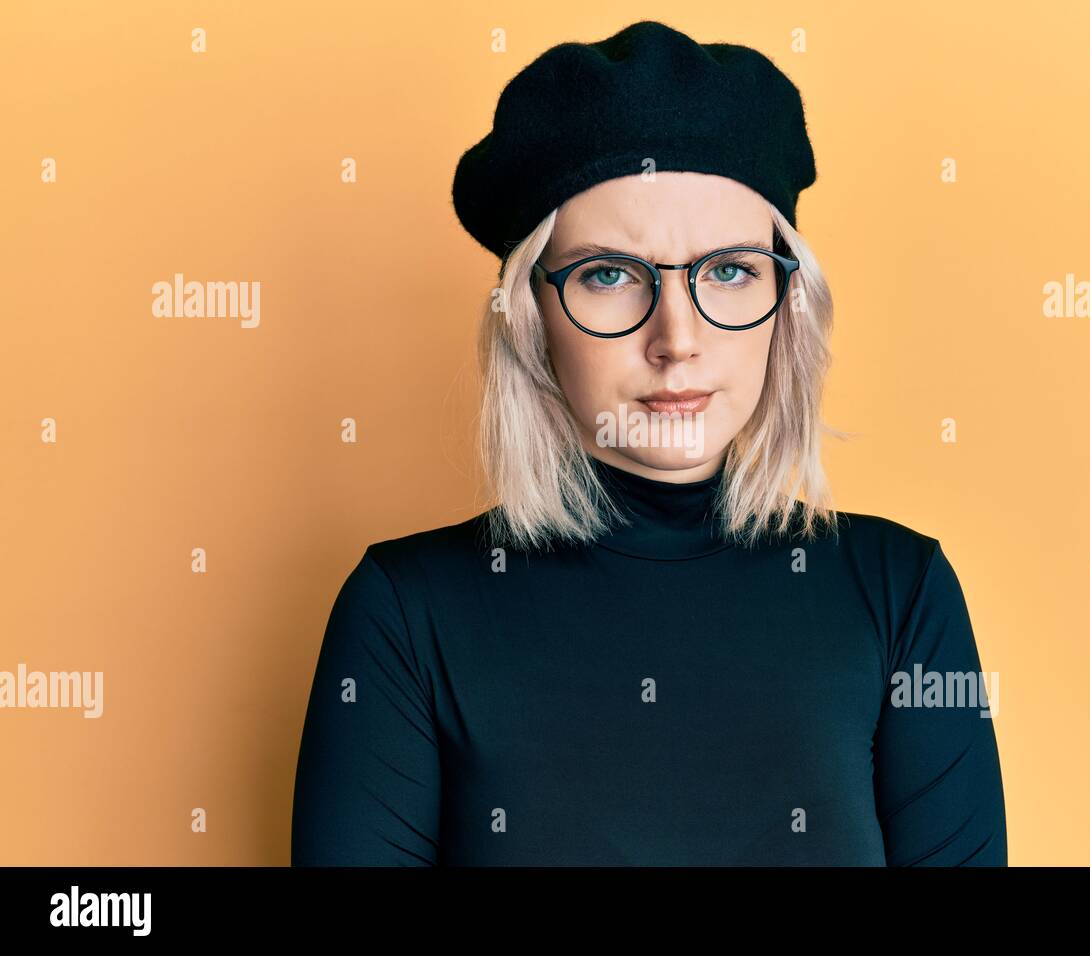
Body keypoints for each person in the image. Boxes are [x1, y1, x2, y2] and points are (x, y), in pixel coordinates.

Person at [290, 19, 1008, 866]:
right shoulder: (404, 614)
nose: (677, 338)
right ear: (531, 320)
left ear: (789, 306)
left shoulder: (901, 595)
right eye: (609, 274)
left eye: (731, 270)